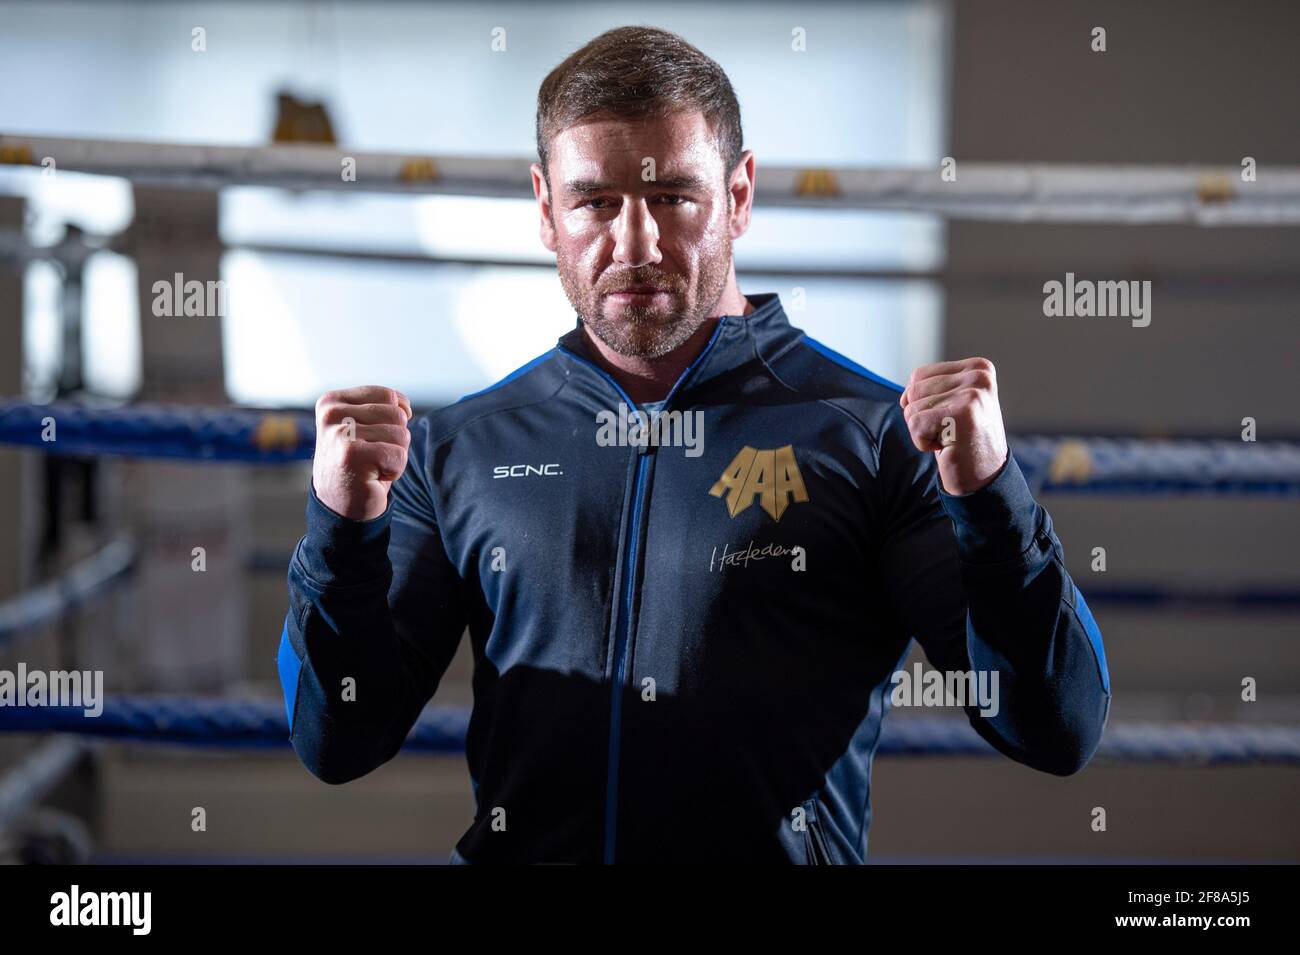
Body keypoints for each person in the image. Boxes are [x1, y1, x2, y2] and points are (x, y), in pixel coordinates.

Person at [279, 25, 1110, 864]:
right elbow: (339, 741)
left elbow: (1055, 726)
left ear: (740, 195)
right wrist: (343, 532)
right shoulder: (465, 446)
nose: (633, 244)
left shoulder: (867, 436)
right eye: (595, 201)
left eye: (673, 197)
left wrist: (993, 498)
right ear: (544, 209)